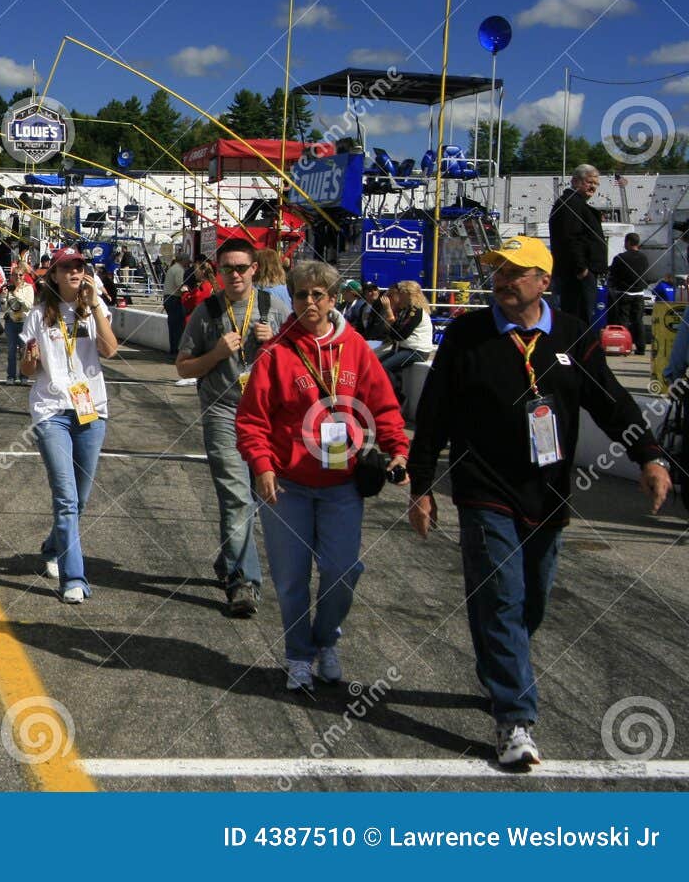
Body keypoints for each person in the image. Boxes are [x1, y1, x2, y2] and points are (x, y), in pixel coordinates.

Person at [407, 235, 671, 768]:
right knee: (501, 598)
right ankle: (515, 721)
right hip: (483, 490)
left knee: (530, 603)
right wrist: (421, 487)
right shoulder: (467, 334)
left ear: (543, 281)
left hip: (547, 494)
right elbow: (434, 412)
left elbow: (610, 399)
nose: (502, 280)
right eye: (498, 271)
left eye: (515, 272)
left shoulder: (574, 336)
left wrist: (649, 454)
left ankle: (501, 673)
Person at [235, 259, 410, 691]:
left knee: (342, 571)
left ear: (333, 300)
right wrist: (262, 467)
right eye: (300, 295)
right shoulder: (276, 353)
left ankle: (327, 639)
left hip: (342, 485)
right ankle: (298, 656)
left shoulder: (356, 351)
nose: (309, 302)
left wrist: (398, 451)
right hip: (288, 486)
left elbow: (385, 408)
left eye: (318, 295)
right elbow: (251, 420)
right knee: (292, 579)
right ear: (291, 300)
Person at [175, 238, 291, 618]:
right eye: (228, 269)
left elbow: (300, 365)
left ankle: (230, 560)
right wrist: (217, 354)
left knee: (266, 497)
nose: (236, 275)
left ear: (255, 268)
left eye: (242, 267)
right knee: (237, 497)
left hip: (268, 417)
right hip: (223, 413)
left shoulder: (276, 308)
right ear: (219, 272)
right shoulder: (206, 312)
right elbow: (183, 367)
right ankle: (245, 583)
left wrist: (274, 345)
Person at [20, 248, 119, 603]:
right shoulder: (37, 315)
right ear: (55, 275)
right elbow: (27, 370)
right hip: (51, 410)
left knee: (81, 499)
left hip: (91, 409)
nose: (76, 271)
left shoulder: (95, 309)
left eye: (80, 266)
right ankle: (73, 578)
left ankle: (52, 546)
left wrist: (93, 306)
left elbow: (110, 351)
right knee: (66, 498)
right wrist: (29, 360)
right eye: (68, 267)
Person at [549, 164, 606, 326]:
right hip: (577, 275)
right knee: (578, 319)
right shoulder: (571, 204)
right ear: (575, 181)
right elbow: (571, 237)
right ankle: (576, 350)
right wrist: (581, 268)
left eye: (596, 184)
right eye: (589, 182)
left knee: (580, 317)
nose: (593, 187)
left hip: (579, 273)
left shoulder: (575, 203)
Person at [373, 280, 434, 403]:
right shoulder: (405, 310)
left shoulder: (415, 311)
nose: (398, 296)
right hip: (404, 349)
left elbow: (401, 335)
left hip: (416, 351)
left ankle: (398, 397)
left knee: (384, 368)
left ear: (407, 294)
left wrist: (390, 313)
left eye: (401, 293)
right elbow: (393, 334)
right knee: (376, 365)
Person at [606, 232, 651, 355]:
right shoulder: (644, 258)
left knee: (623, 321)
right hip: (639, 293)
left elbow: (613, 274)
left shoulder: (620, 258)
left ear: (628, 242)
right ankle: (641, 348)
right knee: (638, 321)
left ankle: (623, 346)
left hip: (623, 293)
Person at [0, 261, 36, 384]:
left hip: (25, 322)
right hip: (11, 322)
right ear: (11, 276)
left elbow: (29, 306)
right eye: (15, 275)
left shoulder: (28, 288)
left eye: (20, 275)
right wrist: (4, 298)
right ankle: (11, 376)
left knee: (24, 351)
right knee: (11, 351)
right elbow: (4, 309)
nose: (18, 277)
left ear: (24, 276)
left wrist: (16, 294)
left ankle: (24, 376)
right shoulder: (7, 288)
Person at [164, 254, 190, 354]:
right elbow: (180, 285)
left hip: (168, 298)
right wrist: (190, 291)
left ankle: (173, 348)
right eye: (188, 260)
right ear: (183, 260)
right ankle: (176, 350)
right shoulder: (179, 270)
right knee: (178, 326)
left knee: (173, 326)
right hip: (175, 299)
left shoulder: (172, 268)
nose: (189, 262)